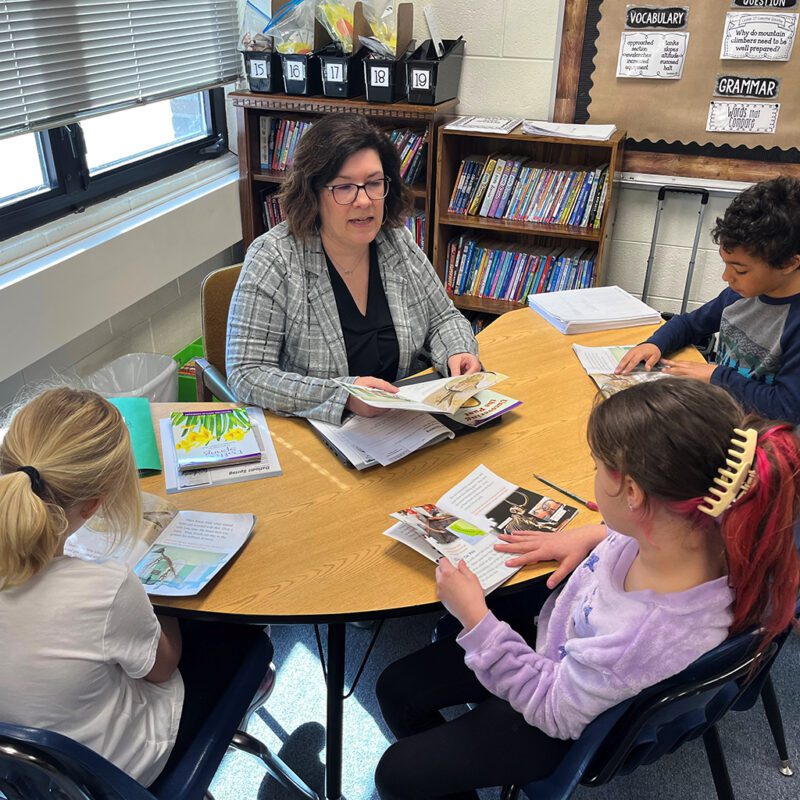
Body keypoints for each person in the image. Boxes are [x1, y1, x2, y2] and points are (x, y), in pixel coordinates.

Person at [374, 379, 800, 799]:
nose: (594, 474)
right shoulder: (713, 518)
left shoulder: (638, 636)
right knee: (395, 685)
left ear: (632, 492)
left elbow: (551, 711)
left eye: (597, 467)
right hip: (566, 648)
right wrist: (590, 535)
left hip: (556, 716)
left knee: (396, 774)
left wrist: (475, 618)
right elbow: (643, 531)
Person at [0, 388, 270, 786]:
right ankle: (247, 694)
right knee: (236, 633)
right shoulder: (105, 589)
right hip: (115, 774)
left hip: (26, 775)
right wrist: (149, 591)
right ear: (94, 505)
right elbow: (163, 668)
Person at [226, 113, 480, 424]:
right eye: (345, 187)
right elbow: (247, 374)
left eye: (373, 183)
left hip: (400, 423)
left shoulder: (395, 240)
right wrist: (342, 396)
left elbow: (443, 318)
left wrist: (457, 351)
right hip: (314, 429)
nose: (364, 201)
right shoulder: (274, 258)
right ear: (313, 192)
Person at [616, 176, 800, 425]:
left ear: (788, 264)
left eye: (740, 270)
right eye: (726, 264)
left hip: (761, 435)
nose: (726, 277)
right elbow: (689, 325)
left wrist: (718, 377)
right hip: (723, 407)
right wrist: (655, 344)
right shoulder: (739, 295)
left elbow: (787, 408)